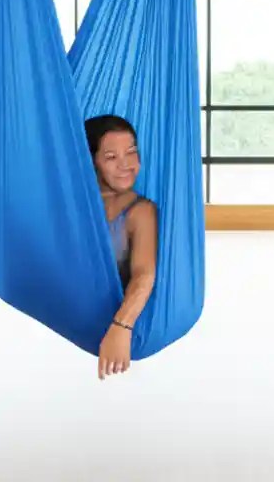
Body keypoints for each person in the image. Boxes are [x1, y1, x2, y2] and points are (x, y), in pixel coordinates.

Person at [84, 114, 158, 381]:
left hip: (117, 319)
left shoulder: (141, 212)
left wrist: (121, 326)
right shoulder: (75, 205)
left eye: (131, 152)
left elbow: (144, 274)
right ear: (92, 161)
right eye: (111, 157)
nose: (126, 165)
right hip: (70, 314)